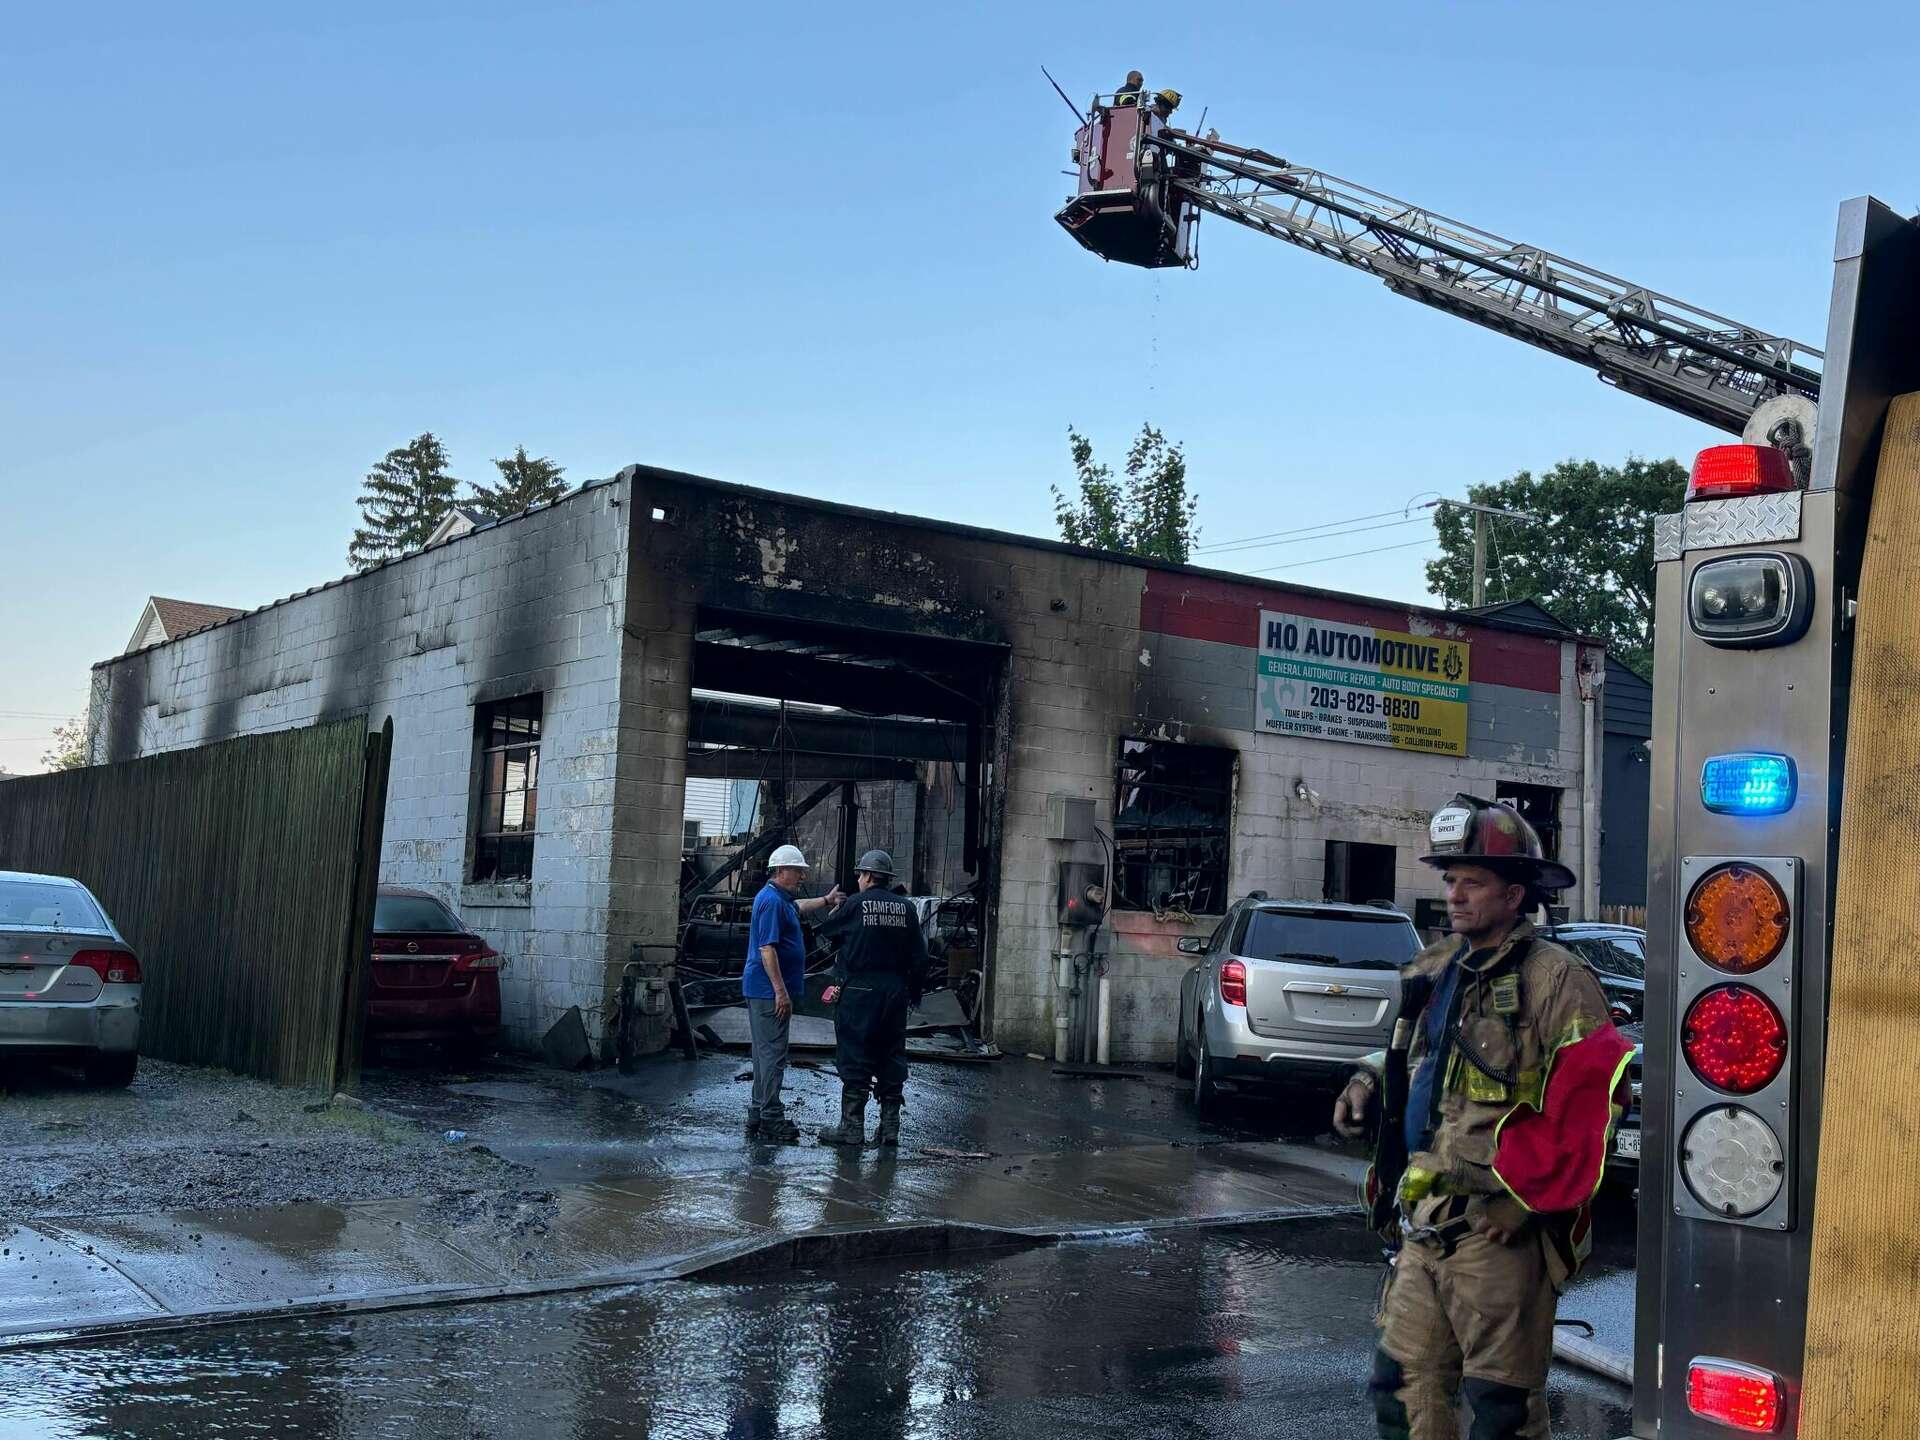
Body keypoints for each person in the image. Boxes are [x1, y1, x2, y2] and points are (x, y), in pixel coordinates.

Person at [1331, 795, 1632, 1440]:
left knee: (1502, 1411)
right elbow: (1415, 1055)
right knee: (1401, 1392)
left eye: (1473, 882)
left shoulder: (1556, 979)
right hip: (1422, 1225)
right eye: (1451, 881)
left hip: (1498, 1235)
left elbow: (1596, 1095)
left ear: (1514, 895)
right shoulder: (1438, 968)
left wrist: (1524, 1202)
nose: (1455, 895)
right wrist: (1365, 1081)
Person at [813, 850, 928, 1148]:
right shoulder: (907, 908)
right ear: (887, 879)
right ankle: (890, 1130)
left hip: (859, 992)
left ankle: (851, 1128)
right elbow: (920, 957)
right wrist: (912, 994)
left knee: (855, 1053)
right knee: (891, 1054)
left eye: (859, 875)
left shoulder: (855, 904)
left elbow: (827, 934)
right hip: (894, 992)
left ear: (866, 876)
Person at [743, 845, 840, 1143]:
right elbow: (767, 949)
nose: (802, 876)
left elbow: (798, 907)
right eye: (798, 871)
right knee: (773, 1055)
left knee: (764, 1054)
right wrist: (780, 991)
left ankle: (759, 1112)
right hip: (767, 992)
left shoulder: (780, 900)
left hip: (764, 990)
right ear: (781, 870)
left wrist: (826, 900)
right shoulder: (771, 902)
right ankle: (771, 1119)